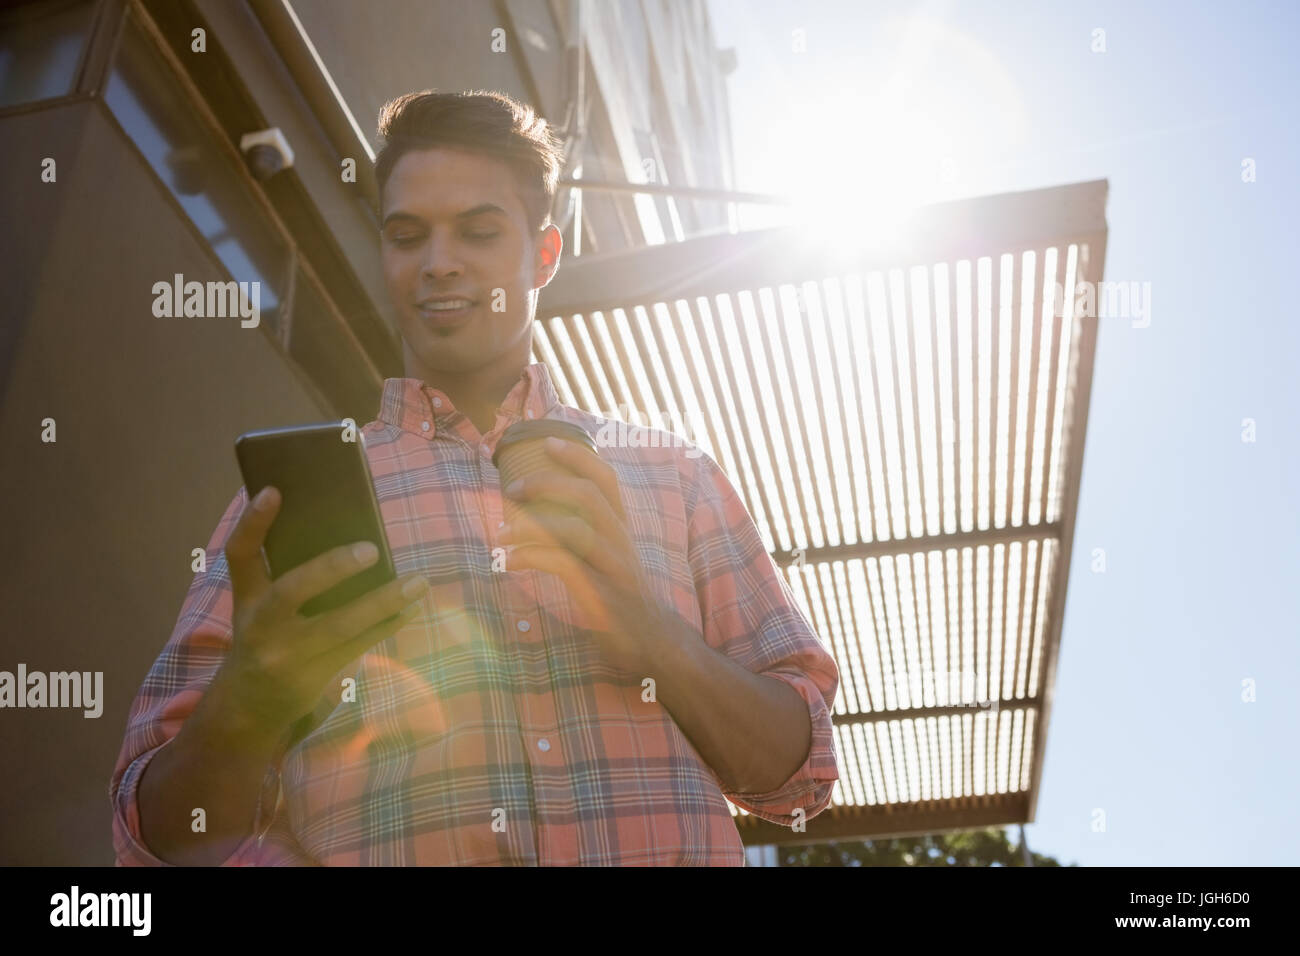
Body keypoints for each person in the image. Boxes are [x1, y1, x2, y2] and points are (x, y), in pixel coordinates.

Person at [109, 90, 839, 865]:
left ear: (545, 256)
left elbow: (799, 777)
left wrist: (643, 621)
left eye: (480, 231)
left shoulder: (674, 472)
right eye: (406, 235)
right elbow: (152, 841)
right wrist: (251, 701)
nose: (439, 261)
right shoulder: (283, 508)